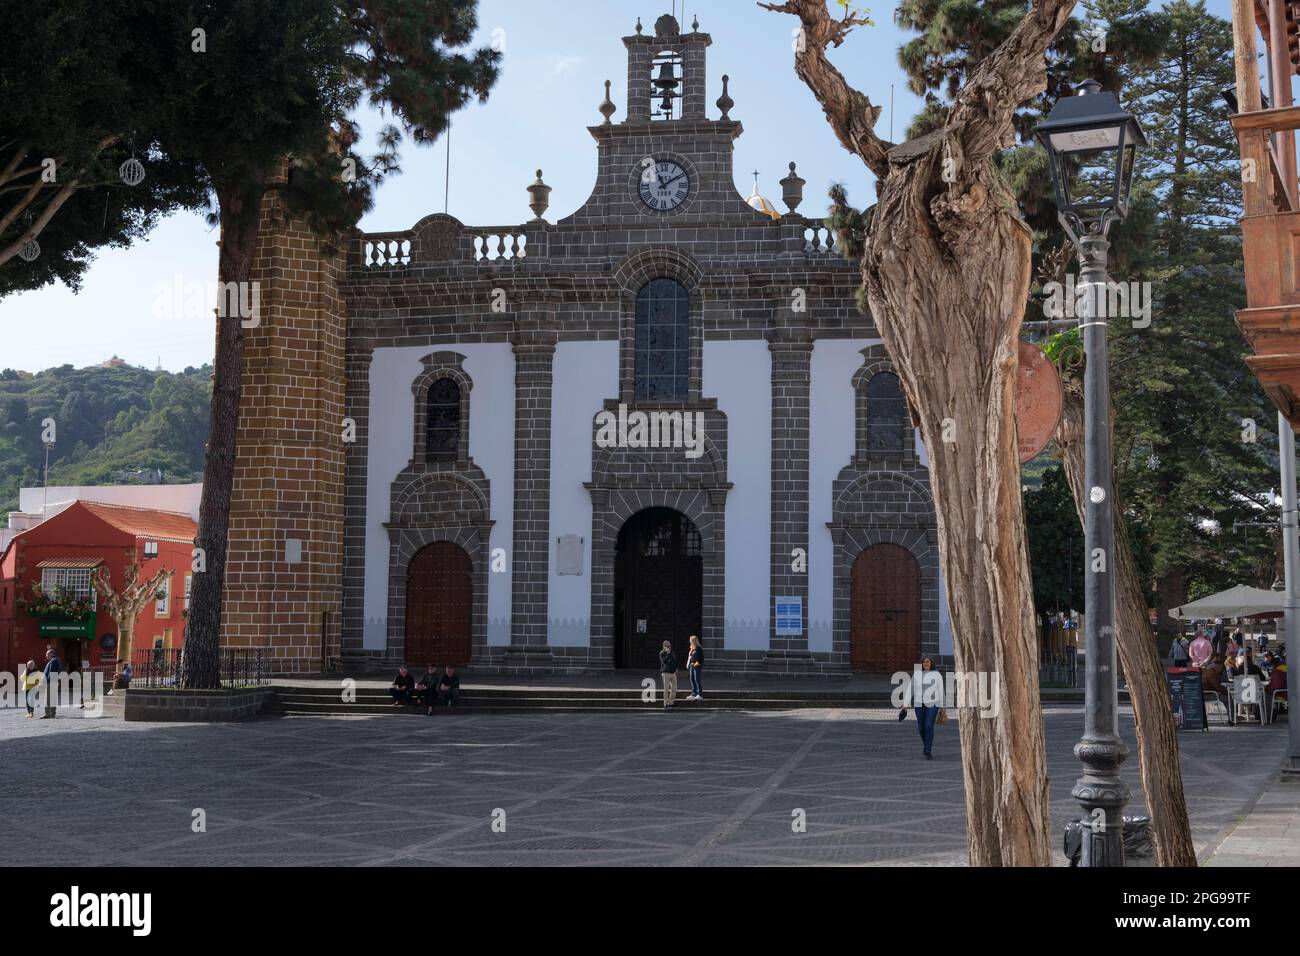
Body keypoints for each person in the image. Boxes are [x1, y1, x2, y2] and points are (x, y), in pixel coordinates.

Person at [899, 656, 943, 759]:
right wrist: (905, 704)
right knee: (921, 728)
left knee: (928, 726)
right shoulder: (917, 674)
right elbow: (911, 689)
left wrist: (943, 705)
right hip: (919, 704)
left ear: (931, 663)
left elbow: (941, 690)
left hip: (933, 704)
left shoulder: (936, 674)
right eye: (924, 662)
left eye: (927, 662)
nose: (926, 664)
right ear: (922, 664)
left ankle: (928, 750)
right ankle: (926, 745)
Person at [40, 647, 61, 719]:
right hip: (53, 682)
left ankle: (48, 714)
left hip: (51, 682)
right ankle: (52, 714)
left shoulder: (54, 660)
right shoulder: (54, 660)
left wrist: (47, 681)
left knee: (48, 698)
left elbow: (52, 672)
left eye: (47, 654)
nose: (46, 656)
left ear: (52, 654)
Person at [659, 640, 678, 710]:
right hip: (665, 672)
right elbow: (664, 661)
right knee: (666, 688)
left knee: (674, 688)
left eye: (670, 646)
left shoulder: (672, 652)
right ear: (664, 646)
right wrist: (668, 653)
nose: (669, 647)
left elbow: (674, 661)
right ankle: (665, 703)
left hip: (672, 672)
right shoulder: (661, 653)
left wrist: (676, 668)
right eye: (667, 646)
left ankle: (671, 702)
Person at [686, 635, 704, 700]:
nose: (689, 642)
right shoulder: (692, 648)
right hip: (692, 666)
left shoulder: (699, 648)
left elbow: (701, 658)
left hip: (697, 666)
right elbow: (690, 657)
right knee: (692, 679)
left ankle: (700, 694)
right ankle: (694, 694)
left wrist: (696, 664)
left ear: (694, 641)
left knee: (697, 680)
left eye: (690, 641)